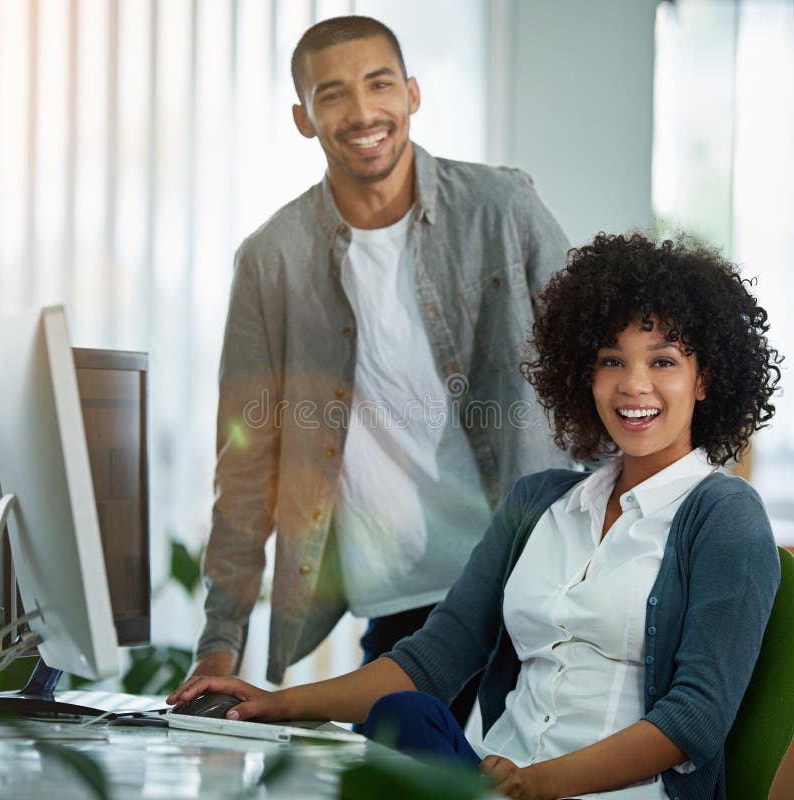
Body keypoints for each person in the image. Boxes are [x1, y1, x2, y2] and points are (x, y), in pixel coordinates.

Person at [169, 233, 783, 800]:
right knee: (404, 718)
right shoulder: (539, 503)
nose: (634, 386)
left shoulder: (724, 517)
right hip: (491, 786)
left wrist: (538, 784)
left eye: (664, 361)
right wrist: (272, 705)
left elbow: (694, 720)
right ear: (583, 372)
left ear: (706, 378)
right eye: (612, 360)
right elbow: (433, 660)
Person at [191, 13, 570, 724]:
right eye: (332, 94)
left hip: (528, 578)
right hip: (401, 608)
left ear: (413, 94)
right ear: (304, 119)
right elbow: (246, 468)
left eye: (379, 84)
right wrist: (220, 644)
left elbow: (596, 366)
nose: (362, 112)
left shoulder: (502, 208)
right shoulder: (271, 261)